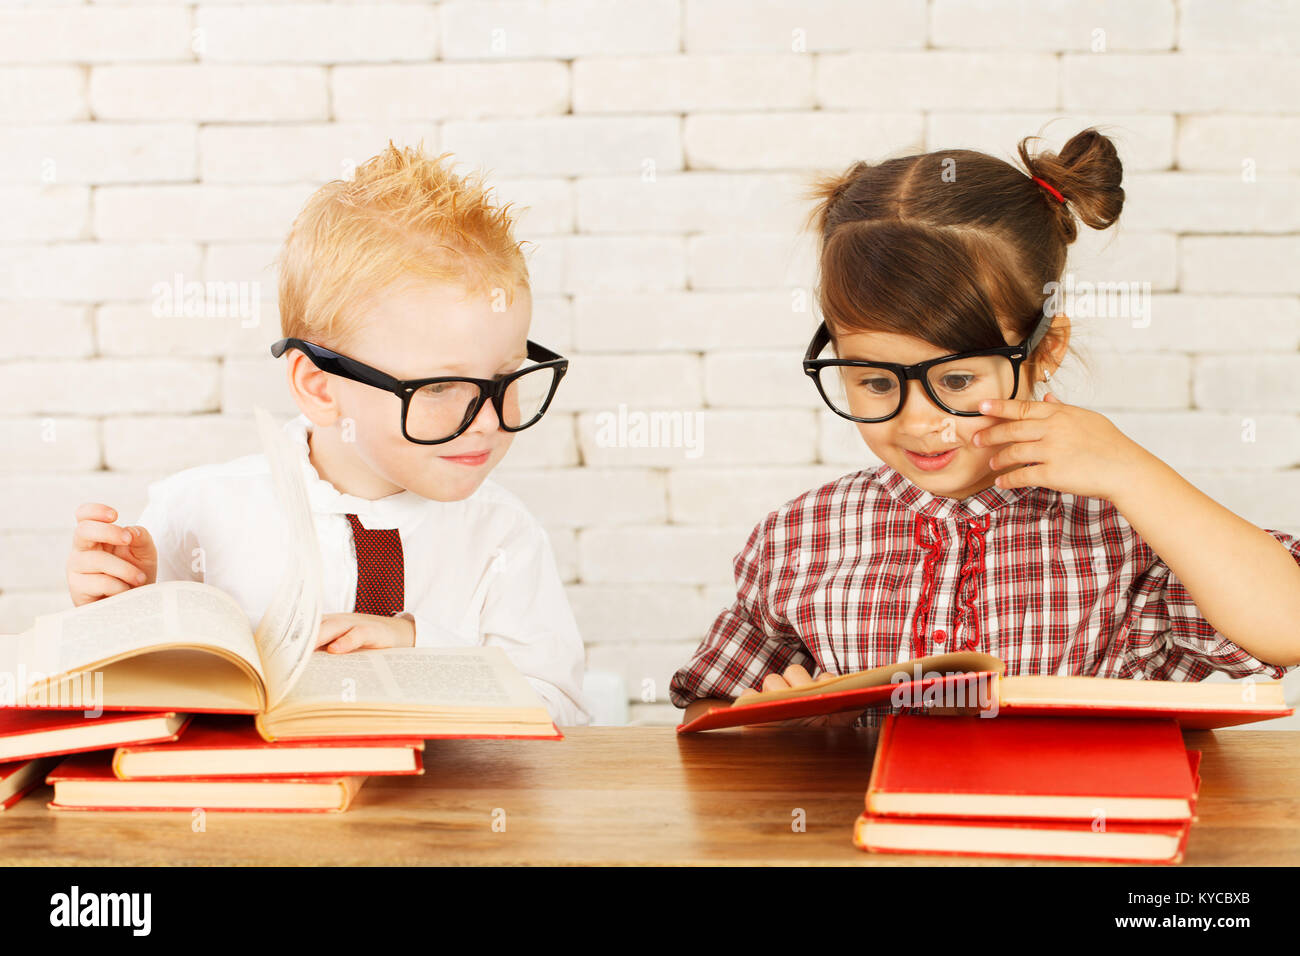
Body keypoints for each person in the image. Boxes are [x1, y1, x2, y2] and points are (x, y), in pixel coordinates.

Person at [671, 127, 1300, 728]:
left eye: (957, 380)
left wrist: (1133, 473)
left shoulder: (1131, 531)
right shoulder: (801, 538)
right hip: (868, 833)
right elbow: (706, 715)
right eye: (875, 382)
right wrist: (774, 724)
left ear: (1044, 349)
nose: (919, 422)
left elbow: (1288, 626)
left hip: (1076, 835)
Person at [65, 141, 589, 726]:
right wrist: (110, 617)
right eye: (440, 387)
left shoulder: (503, 536)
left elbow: (563, 714)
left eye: (505, 377)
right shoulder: (193, 514)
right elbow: (136, 707)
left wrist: (421, 649)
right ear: (319, 388)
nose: (490, 421)